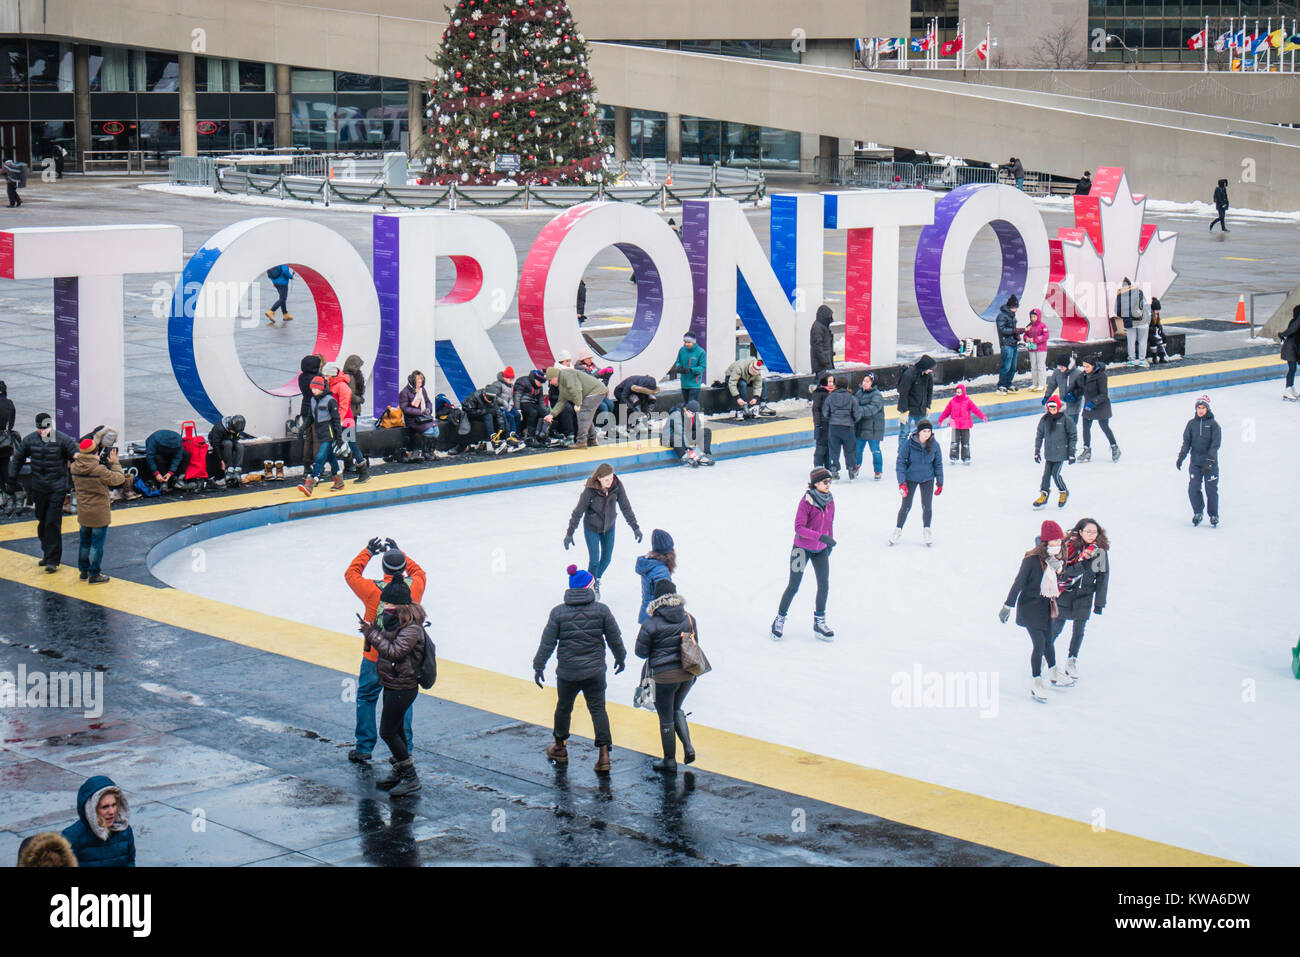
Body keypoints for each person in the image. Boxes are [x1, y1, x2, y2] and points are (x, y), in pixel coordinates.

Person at [532, 564, 625, 775]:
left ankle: (559, 748)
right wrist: (621, 658)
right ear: (589, 588)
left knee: (564, 707)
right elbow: (614, 638)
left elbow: (547, 642)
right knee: (598, 709)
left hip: (568, 671)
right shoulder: (602, 610)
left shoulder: (558, 612)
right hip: (595, 671)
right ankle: (604, 755)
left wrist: (539, 665)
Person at [346, 538, 425, 763]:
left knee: (367, 697)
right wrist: (399, 552)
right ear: (402, 567)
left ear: (383, 568)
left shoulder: (372, 590)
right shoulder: (415, 587)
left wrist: (368, 552)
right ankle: (404, 748)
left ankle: (364, 747)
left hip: (374, 656)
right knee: (401, 702)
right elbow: (419, 571)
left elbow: (351, 574)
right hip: (403, 658)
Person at [356, 578, 426, 796]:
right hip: (393, 682)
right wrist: (372, 629)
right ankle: (400, 771)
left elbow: (395, 652)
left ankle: (411, 776)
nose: (384, 607)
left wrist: (372, 635)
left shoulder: (411, 628)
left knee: (387, 731)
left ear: (399, 605)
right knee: (395, 729)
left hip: (403, 686)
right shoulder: (397, 622)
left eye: (387, 605)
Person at [999, 520, 1075, 703]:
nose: (1058, 544)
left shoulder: (1058, 558)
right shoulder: (1031, 559)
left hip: (1047, 606)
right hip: (1030, 607)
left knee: (1049, 641)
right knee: (1040, 644)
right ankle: (1037, 682)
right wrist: (1008, 605)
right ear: (1046, 541)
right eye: (1054, 541)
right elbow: (1019, 583)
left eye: (1060, 540)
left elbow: (1059, 579)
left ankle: (1054, 673)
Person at [636, 579, 698, 773]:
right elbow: (695, 644)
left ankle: (669, 760)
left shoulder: (651, 624)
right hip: (687, 675)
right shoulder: (689, 618)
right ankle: (688, 746)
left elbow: (641, 652)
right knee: (677, 708)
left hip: (664, 678)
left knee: (665, 718)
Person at [770, 467, 836, 641]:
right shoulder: (806, 502)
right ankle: (779, 619)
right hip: (800, 549)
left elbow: (829, 524)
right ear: (815, 484)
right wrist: (820, 536)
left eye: (830, 481)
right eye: (825, 482)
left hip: (820, 549)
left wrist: (829, 542)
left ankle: (819, 621)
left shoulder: (830, 500)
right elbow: (799, 528)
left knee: (824, 585)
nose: (828, 485)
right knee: (794, 585)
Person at [564, 462, 641, 598]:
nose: (610, 482)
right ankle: (588, 590)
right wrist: (570, 533)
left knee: (607, 559)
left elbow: (625, 506)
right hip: (592, 528)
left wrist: (635, 527)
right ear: (599, 478)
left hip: (609, 527)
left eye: (611, 478)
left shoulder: (616, 486)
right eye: (606, 480)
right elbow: (578, 512)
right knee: (594, 560)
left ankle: (595, 580)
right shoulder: (589, 491)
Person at [12, 414, 76, 571]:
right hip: (39, 488)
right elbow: (18, 458)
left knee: (52, 522)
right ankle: (47, 554)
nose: (42, 432)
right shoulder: (29, 440)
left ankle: (53, 560)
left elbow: (76, 457)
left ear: (51, 426)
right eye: (39, 429)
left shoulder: (63, 439)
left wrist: (74, 481)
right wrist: (11, 478)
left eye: (45, 428)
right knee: (42, 521)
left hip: (57, 488)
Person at [1054, 518, 1109, 679]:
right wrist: (1081, 567)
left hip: (1084, 595)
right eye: (1088, 532)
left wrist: (1099, 603)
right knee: (1056, 626)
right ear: (1080, 532)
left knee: (1079, 630)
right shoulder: (1068, 547)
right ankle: (1044, 655)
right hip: (1065, 592)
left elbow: (1102, 578)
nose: (1092, 535)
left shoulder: (1099, 552)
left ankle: (1071, 660)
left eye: (1094, 532)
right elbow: (1060, 571)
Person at [70, 429, 126, 584]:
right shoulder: (99, 470)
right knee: (96, 545)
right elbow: (119, 479)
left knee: (84, 543)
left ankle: (83, 571)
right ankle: (94, 574)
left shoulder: (74, 467)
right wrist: (115, 463)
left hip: (83, 511)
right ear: (96, 453)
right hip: (99, 512)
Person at [61, 775, 135, 867]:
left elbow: (130, 862)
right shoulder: (72, 837)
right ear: (91, 809)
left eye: (114, 805)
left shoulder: (125, 831)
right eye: (105, 807)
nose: (111, 812)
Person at [892, 419, 943, 546]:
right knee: (906, 506)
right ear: (919, 432)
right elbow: (901, 463)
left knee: (927, 506)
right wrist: (902, 482)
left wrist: (940, 482)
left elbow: (938, 464)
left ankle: (927, 529)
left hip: (927, 478)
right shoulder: (908, 444)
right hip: (910, 478)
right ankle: (898, 529)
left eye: (929, 431)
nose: (927, 434)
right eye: (924, 431)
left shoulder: (935, 445)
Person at [1176, 394, 1222, 527]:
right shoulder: (1191, 424)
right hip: (1195, 463)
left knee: (1211, 489)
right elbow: (1186, 443)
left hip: (1210, 464)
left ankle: (1213, 515)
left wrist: (1210, 460)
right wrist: (1181, 457)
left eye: (1203, 407)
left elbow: (1215, 445)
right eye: (1198, 408)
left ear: (1207, 408)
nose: (1200, 410)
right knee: (1193, 488)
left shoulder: (1214, 425)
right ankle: (1198, 512)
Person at [297, 374, 345, 496]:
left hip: (329, 433)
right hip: (320, 433)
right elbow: (310, 417)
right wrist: (302, 428)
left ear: (322, 388)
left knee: (320, 457)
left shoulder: (330, 400)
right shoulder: (313, 400)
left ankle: (311, 482)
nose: (314, 391)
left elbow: (336, 420)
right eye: (312, 389)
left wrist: (339, 438)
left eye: (316, 389)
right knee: (330, 457)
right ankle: (338, 481)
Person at [544, 363, 608, 449]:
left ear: (555, 377)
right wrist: (551, 415)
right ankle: (592, 439)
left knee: (582, 414)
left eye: (550, 380)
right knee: (585, 415)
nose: (550, 383)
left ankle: (582, 442)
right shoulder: (562, 384)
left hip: (595, 392)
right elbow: (561, 401)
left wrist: (578, 404)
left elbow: (576, 389)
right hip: (594, 392)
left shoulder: (567, 375)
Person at [327, 364, 370, 481]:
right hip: (342, 420)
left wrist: (338, 422)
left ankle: (363, 471)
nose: (325, 377)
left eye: (326, 375)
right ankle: (360, 470)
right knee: (348, 445)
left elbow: (344, 405)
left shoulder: (341, 386)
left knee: (351, 444)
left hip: (345, 420)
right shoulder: (333, 384)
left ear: (331, 375)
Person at [1033, 396, 1077, 509]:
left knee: (1055, 474)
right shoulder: (1044, 419)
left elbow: (1073, 436)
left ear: (1058, 407)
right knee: (1046, 475)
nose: (1052, 409)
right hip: (1049, 452)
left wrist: (1071, 453)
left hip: (1061, 452)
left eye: (1054, 407)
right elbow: (1039, 435)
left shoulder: (1066, 419)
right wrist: (1037, 451)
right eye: (1050, 407)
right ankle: (1044, 494)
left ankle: (1063, 491)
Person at [1079, 356, 1120, 463]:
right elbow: (1080, 388)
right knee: (1085, 428)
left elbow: (1104, 395)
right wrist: (1072, 395)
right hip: (1089, 405)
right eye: (1084, 366)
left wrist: (1093, 403)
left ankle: (1115, 447)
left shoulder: (1101, 376)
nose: (1085, 369)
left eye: (1087, 367)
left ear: (1093, 366)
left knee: (1104, 427)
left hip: (1101, 405)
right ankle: (1086, 450)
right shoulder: (1083, 375)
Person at [823, 374, 864, 480]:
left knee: (834, 450)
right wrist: (852, 420)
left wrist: (831, 418)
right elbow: (857, 413)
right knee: (850, 450)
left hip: (834, 427)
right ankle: (851, 468)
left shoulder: (830, 397)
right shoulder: (852, 398)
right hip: (848, 427)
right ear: (847, 386)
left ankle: (834, 468)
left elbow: (825, 412)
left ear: (836, 385)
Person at [936, 383, 987, 466]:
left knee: (965, 442)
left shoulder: (968, 401)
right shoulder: (952, 402)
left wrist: (982, 416)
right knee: (954, 442)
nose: (958, 394)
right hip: (955, 426)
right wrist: (941, 419)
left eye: (960, 392)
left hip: (965, 426)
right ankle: (953, 456)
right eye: (957, 392)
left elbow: (975, 409)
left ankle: (966, 457)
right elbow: (946, 411)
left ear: (964, 392)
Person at [895, 354, 936, 451]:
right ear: (924, 366)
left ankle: (921, 453)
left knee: (923, 433)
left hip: (921, 409)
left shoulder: (928, 375)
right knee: (904, 433)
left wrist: (927, 406)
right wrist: (904, 411)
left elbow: (929, 391)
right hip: (908, 410)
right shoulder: (909, 374)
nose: (931, 371)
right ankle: (902, 455)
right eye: (930, 368)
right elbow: (903, 393)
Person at [399, 369, 440, 461]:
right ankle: (426, 453)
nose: (420, 384)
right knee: (429, 430)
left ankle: (431, 451)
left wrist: (428, 409)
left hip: (424, 417)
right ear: (413, 382)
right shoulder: (404, 392)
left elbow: (428, 401)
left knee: (436, 430)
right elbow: (405, 408)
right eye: (418, 382)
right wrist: (420, 412)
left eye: (421, 382)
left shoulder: (422, 390)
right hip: (413, 419)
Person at [635, 528, 675, 624]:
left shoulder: (650, 563)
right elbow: (664, 599)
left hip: (647, 615)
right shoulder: (661, 571)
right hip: (656, 619)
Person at [853, 371, 886, 480]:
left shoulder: (877, 395)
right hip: (861, 428)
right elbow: (854, 404)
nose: (864, 383)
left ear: (873, 383)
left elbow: (872, 409)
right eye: (864, 381)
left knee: (875, 450)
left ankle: (878, 470)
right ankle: (855, 467)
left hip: (873, 429)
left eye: (867, 381)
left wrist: (858, 411)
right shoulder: (859, 393)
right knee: (857, 450)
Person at [661, 399, 713, 466]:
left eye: (694, 413)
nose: (693, 415)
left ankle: (701, 455)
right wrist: (689, 448)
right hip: (670, 438)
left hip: (685, 437)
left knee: (706, 432)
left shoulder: (693, 414)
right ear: (685, 409)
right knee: (677, 438)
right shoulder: (676, 414)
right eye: (691, 413)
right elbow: (680, 433)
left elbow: (697, 428)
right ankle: (685, 457)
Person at [483, 366, 524, 450]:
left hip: (508, 406)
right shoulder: (498, 384)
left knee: (517, 415)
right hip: (500, 406)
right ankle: (509, 437)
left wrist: (511, 403)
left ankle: (516, 434)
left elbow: (510, 396)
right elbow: (495, 397)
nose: (510, 380)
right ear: (504, 377)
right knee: (510, 417)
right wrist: (504, 403)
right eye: (509, 378)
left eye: (512, 378)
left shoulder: (510, 385)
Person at [1043, 354, 1085, 430]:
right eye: (1059, 366)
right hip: (1062, 405)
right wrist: (1047, 396)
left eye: (1062, 367)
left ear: (1068, 365)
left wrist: (1073, 395)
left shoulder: (1078, 374)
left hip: (1074, 406)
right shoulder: (1057, 372)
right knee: (1062, 427)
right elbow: (1052, 384)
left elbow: (1082, 389)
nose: (1060, 368)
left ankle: (1071, 440)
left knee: (1071, 427)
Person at [514, 368, 553, 445]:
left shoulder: (539, 386)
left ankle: (542, 434)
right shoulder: (523, 381)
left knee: (545, 414)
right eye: (540, 382)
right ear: (535, 379)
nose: (541, 384)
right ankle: (529, 436)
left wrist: (546, 412)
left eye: (542, 383)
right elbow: (517, 396)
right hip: (523, 403)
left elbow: (541, 400)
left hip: (533, 403)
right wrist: (518, 409)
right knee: (533, 412)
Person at [207, 414, 250, 484]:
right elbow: (215, 445)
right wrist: (221, 461)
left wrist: (235, 436)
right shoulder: (219, 428)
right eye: (233, 431)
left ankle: (237, 471)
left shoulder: (237, 429)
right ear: (230, 426)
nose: (235, 433)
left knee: (240, 447)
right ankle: (229, 470)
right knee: (228, 444)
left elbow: (236, 437)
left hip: (230, 439)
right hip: (218, 442)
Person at [297, 353, 324, 466]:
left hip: (305, 408)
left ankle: (307, 464)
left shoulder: (301, 377)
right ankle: (318, 465)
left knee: (308, 437)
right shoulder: (317, 378)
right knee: (317, 438)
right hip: (316, 410)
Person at [1115, 277, 1148, 367]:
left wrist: (1125, 316)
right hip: (1142, 320)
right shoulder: (1139, 291)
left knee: (1131, 341)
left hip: (1129, 321)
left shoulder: (1120, 295)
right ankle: (1142, 360)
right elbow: (1145, 305)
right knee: (1142, 340)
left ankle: (1131, 360)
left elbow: (1117, 311)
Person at [995, 294, 1022, 393]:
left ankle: (1008, 383)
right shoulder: (1002, 316)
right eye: (1015, 307)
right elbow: (1002, 329)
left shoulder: (1011, 316)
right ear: (1011, 307)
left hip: (1013, 343)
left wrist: (1019, 331)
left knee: (1013, 366)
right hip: (1006, 344)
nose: (1016, 309)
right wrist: (1014, 331)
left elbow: (1011, 330)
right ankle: (1001, 384)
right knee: (1006, 365)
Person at [671, 332, 706, 406]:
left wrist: (691, 370)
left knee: (692, 405)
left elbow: (702, 367)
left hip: (694, 384)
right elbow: (678, 362)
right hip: (684, 383)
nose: (686, 344)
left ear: (693, 342)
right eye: (685, 342)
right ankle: (686, 417)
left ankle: (693, 417)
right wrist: (679, 367)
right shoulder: (682, 350)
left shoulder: (701, 352)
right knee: (686, 405)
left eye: (689, 342)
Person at [0, 381, 20, 516]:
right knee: (4, 469)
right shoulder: (9, 404)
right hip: (4, 444)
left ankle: (4, 498)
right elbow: (11, 425)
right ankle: (11, 496)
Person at [809, 370, 835, 471]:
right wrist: (817, 424)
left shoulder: (832, 393)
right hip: (822, 425)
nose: (831, 384)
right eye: (829, 382)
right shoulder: (819, 393)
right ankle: (818, 468)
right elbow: (816, 410)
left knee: (829, 448)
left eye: (832, 381)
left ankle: (827, 468)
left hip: (831, 424)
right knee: (821, 447)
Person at [1023, 308, 1050, 388]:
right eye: (1031, 317)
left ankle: (1042, 384)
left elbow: (1046, 336)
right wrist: (1026, 339)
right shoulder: (1029, 325)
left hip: (1041, 349)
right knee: (1033, 366)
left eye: (1034, 316)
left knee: (1040, 366)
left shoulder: (1043, 325)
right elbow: (1025, 335)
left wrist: (1035, 340)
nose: (1033, 318)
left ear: (1038, 317)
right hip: (1032, 348)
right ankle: (1035, 383)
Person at [1278, 304, 1300, 401]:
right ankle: (1288, 389)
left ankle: (1291, 388)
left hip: (1294, 348)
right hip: (1290, 348)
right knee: (1292, 369)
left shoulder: (1295, 320)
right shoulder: (1297, 321)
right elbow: (1292, 330)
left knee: (1293, 369)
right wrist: (1282, 334)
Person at [810, 304, 836, 379]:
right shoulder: (818, 328)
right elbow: (818, 347)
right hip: (821, 366)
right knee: (821, 384)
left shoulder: (822, 326)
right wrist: (825, 362)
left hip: (824, 364)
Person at [1146, 298, 1172, 365]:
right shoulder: (1149, 315)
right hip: (1149, 332)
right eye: (1156, 310)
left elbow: (1159, 324)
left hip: (1155, 331)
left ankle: (1162, 356)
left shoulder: (1157, 315)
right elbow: (1147, 326)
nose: (1157, 312)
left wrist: (1160, 329)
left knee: (1163, 337)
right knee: (1153, 340)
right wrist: (1153, 329)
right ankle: (1154, 357)